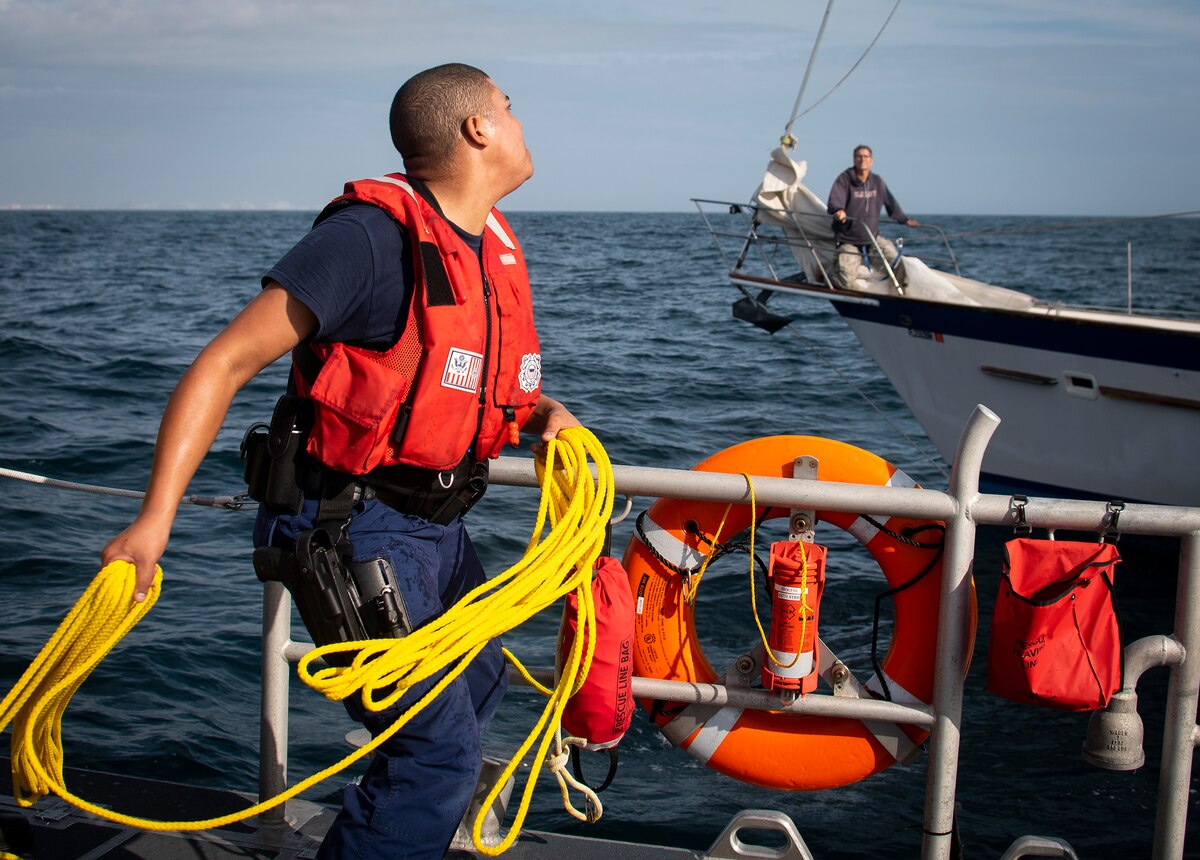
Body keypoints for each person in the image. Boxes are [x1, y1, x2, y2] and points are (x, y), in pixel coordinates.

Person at [102, 63, 580, 859]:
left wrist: (542, 413)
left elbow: (444, 373)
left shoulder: (484, 245)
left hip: (437, 531)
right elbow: (221, 364)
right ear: (476, 129)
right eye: (509, 107)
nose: (521, 121)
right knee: (432, 753)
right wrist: (154, 522)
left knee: (483, 683)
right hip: (352, 530)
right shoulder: (366, 241)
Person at [826, 144, 919, 289]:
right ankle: (832, 273)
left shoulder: (877, 182)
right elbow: (835, 199)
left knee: (897, 263)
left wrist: (904, 220)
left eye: (866, 156)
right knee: (846, 278)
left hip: (872, 237)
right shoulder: (844, 179)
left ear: (871, 160)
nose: (862, 159)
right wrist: (838, 210)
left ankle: (899, 293)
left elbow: (890, 203)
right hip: (848, 239)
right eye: (859, 156)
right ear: (854, 159)